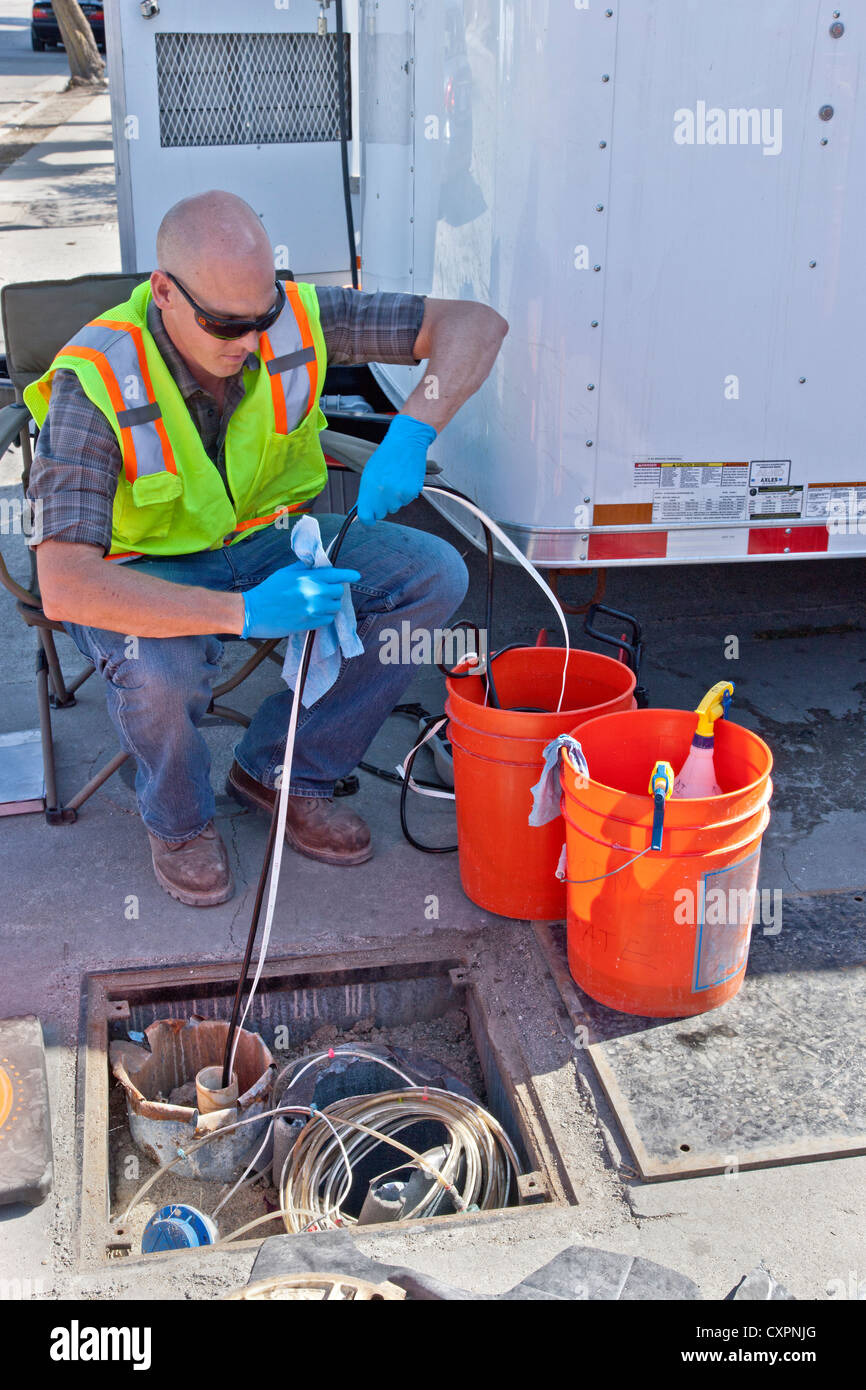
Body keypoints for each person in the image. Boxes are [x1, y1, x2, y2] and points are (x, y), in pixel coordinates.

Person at [25, 190, 508, 907]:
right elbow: (66, 584)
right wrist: (243, 612)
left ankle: (283, 772)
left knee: (430, 574)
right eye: (224, 324)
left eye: (261, 318)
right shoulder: (92, 385)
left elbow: (474, 324)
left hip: (271, 543)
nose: (249, 343)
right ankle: (182, 825)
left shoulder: (297, 317)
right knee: (157, 673)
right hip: (144, 572)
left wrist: (416, 425)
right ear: (163, 292)